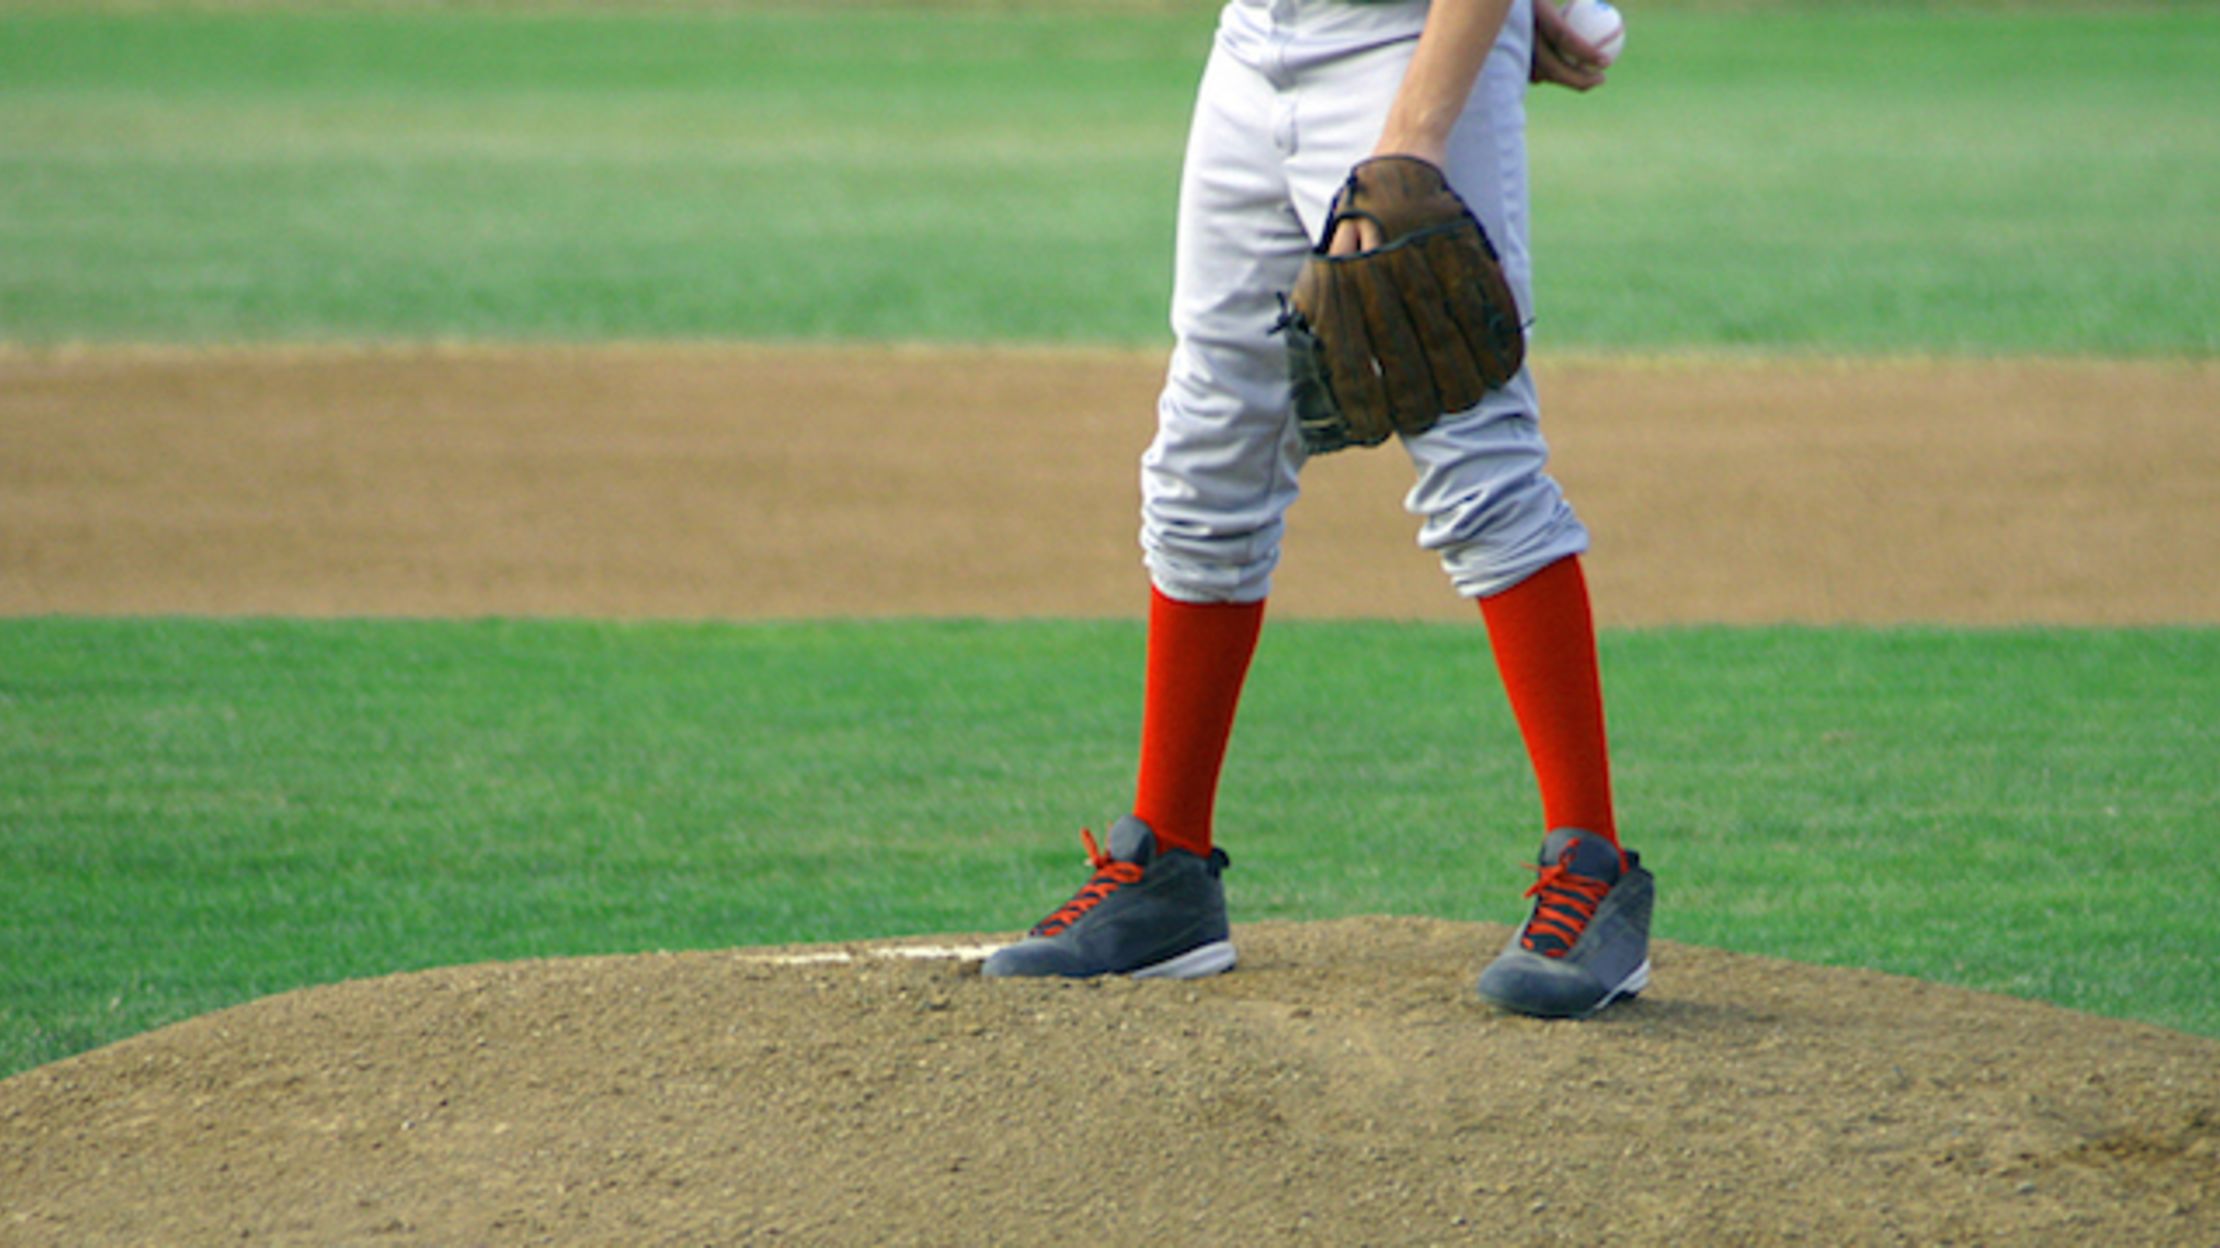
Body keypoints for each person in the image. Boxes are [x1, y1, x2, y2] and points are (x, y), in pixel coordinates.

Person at [982, 0, 1653, 1019]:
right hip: (1255, 46)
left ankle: (1592, 869)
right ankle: (1166, 867)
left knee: (1475, 452)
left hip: (1398, 54)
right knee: (1205, 465)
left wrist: (1416, 136)